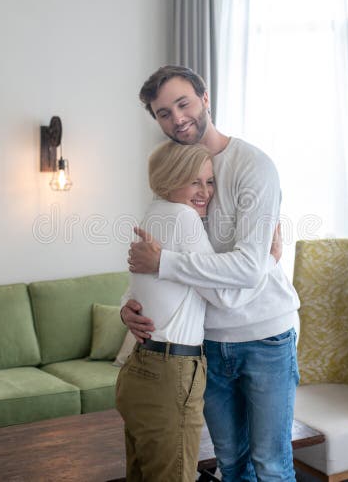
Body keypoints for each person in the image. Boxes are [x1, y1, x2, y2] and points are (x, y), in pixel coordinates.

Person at [122, 65, 301, 481]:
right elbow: (150, 252)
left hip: (265, 336)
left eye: (182, 103)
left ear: (205, 98)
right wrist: (129, 306)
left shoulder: (253, 166)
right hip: (207, 342)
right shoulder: (172, 174)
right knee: (230, 463)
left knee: (271, 465)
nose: (177, 118)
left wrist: (164, 263)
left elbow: (246, 267)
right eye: (163, 113)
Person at [116, 140, 275, 481]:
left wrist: (123, 309)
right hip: (171, 373)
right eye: (194, 182)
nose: (205, 192)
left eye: (209, 181)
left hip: (138, 368)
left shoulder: (152, 212)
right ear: (170, 180)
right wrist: (271, 259)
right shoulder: (184, 219)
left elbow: (147, 286)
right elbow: (225, 297)